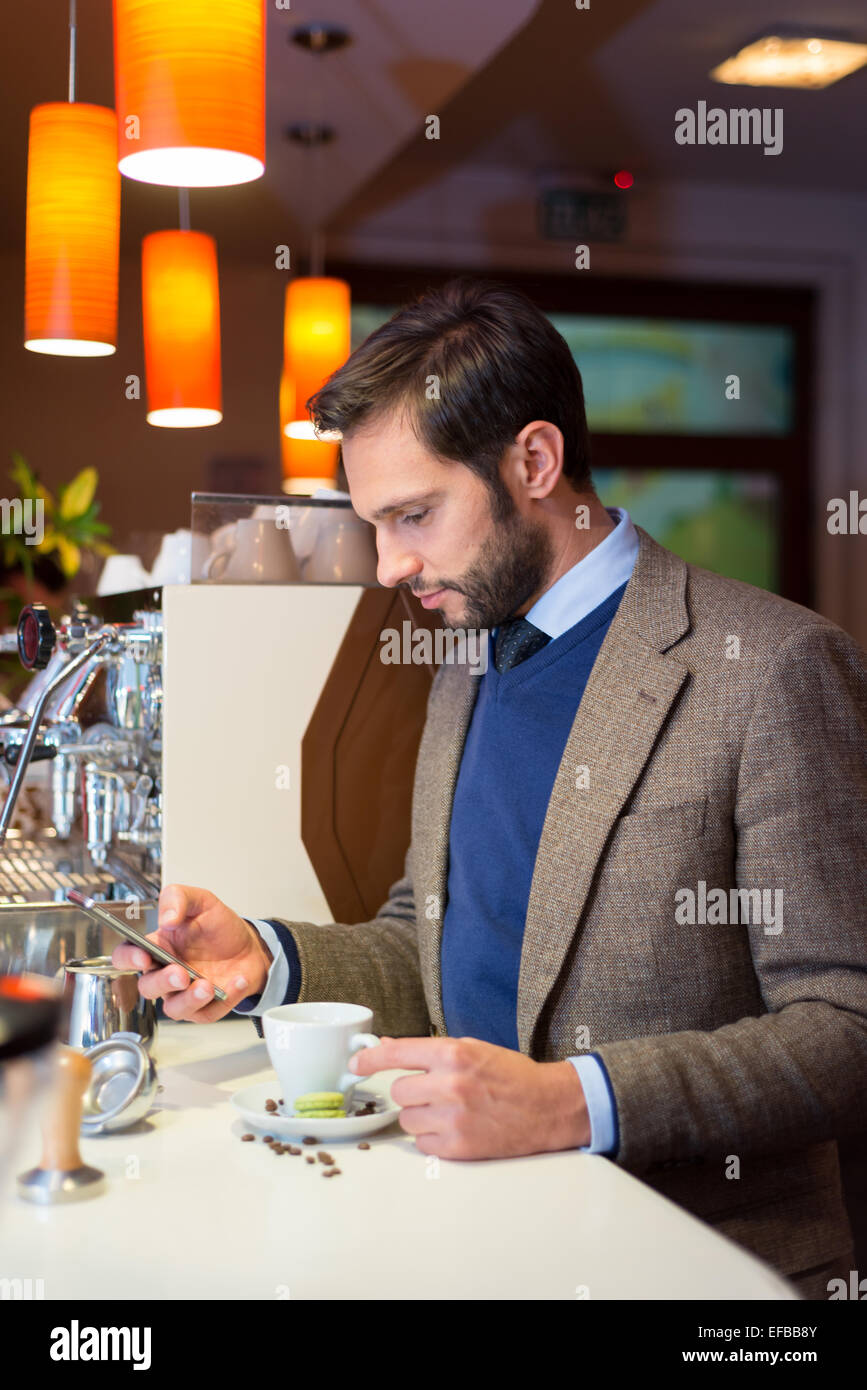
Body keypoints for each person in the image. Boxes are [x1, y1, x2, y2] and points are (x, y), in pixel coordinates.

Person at [112, 277, 867, 1300]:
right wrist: (268, 956)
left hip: (700, 1270)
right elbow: (435, 935)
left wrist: (572, 1099)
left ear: (537, 462)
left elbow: (843, 1029)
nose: (387, 566)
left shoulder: (771, 665)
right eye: (373, 523)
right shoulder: (468, 655)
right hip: (490, 1241)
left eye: (414, 514)